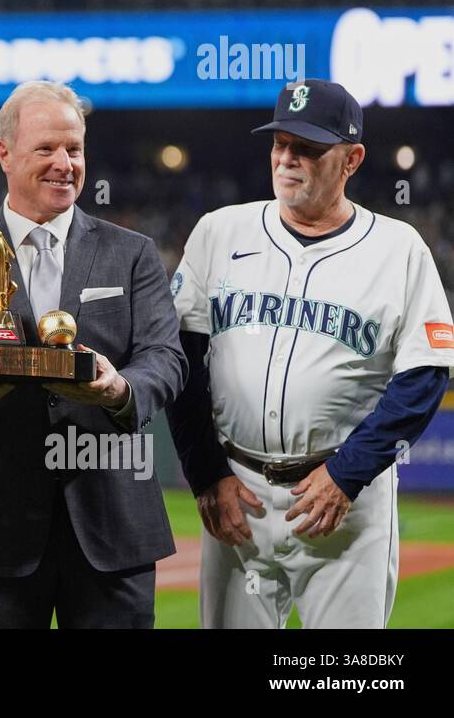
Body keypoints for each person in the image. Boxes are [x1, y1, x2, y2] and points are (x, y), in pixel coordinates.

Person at [167, 78, 451, 628]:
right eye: (281, 144)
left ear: (352, 159)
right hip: (237, 490)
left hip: (344, 501)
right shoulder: (219, 232)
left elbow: (425, 377)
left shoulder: (399, 249)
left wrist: (348, 475)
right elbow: (181, 360)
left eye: (309, 148)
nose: (288, 159)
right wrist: (204, 472)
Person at [0, 80, 186, 628]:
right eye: (47, 149)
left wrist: (120, 389)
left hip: (114, 527)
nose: (65, 164)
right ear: (4, 153)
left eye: (74, 149)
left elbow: (166, 359)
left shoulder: (132, 253)